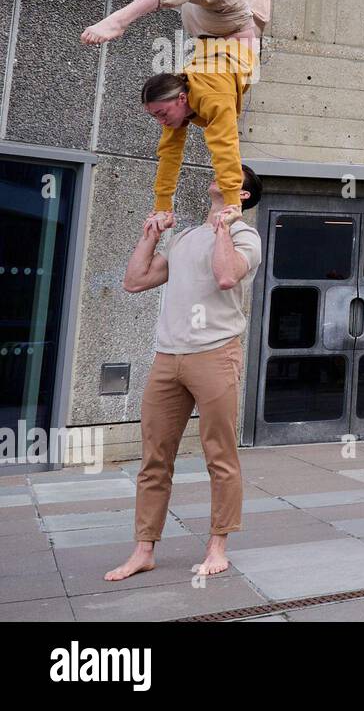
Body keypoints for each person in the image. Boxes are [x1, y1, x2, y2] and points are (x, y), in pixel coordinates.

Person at [105, 166, 263, 582]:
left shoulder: (246, 237)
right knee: (154, 458)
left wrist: (224, 227)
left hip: (215, 354)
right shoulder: (185, 237)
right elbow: (134, 281)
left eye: (231, 174)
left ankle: (217, 547)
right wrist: (151, 235)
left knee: (220, 456)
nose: (219, 173)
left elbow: (226, 276)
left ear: (243, 195)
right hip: (167, 356)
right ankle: (144, 550)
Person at [82, 0, 296, 225]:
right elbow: (174, 155)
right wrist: (163, 207)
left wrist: (232, 202)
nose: (161, 121)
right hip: (243, 35)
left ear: (181, 98)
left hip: (214, 25)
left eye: (161, 113)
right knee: (258, 10)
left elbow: (221, 148)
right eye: (156, 116)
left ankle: (120, 19)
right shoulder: (190, 105)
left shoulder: (209, 96)